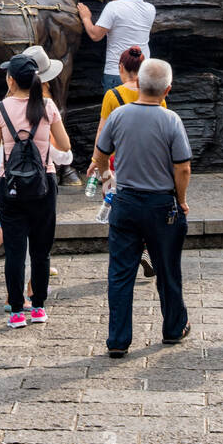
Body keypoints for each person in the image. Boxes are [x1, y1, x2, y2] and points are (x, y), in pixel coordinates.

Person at [93, 58, 192, 357]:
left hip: (125, 202)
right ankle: (174, 328)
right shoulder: (171, 119)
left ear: (138, 85)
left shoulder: (119, 115)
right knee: (167, 269)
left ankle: (118, 340)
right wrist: (182, 198)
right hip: (162, 204)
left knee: (120, 273)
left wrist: (108, 178)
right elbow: (183, 167)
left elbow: (99, 155)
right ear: (167, 89)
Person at [0, 54, 71, 329]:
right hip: (44, 185)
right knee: (41, 251)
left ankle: (15, 312)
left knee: (14, 251)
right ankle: (38, 308)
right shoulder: (47, 106)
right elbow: (66, 145)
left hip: (9, 186)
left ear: (11, 79)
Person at [90, 44, 166, 279]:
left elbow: (103, 133)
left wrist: (95, 160)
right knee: (144, 207)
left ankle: (127, 256)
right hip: (148, 164)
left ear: (121, 67)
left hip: (116, 164)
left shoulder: (112, 95)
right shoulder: (156, 96)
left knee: (119, 209)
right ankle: (144, 249)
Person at [77, 0, 156, 91]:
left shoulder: (113, 7)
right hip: (142, 73)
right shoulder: (150, 8)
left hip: (117, 73)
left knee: (117, 109)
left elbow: (95, 35)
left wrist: (86, 18)